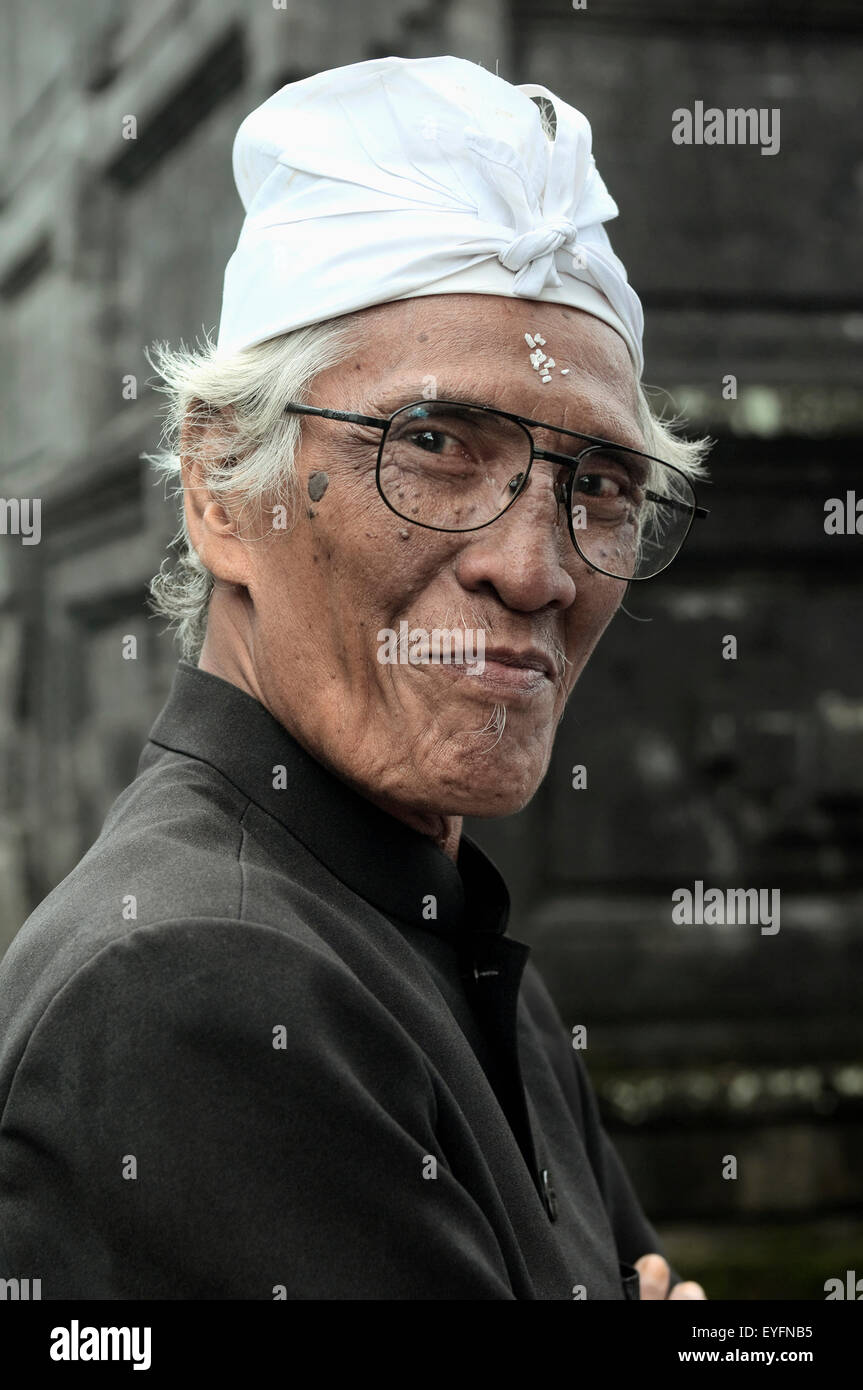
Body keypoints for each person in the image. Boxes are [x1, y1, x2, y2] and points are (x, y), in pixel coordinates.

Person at [0, 55, 710, 1299]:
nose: (534, 570)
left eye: (598, 484)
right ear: (221, 489)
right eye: (431, 443)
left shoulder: (431, 928)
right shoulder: (197, 986)